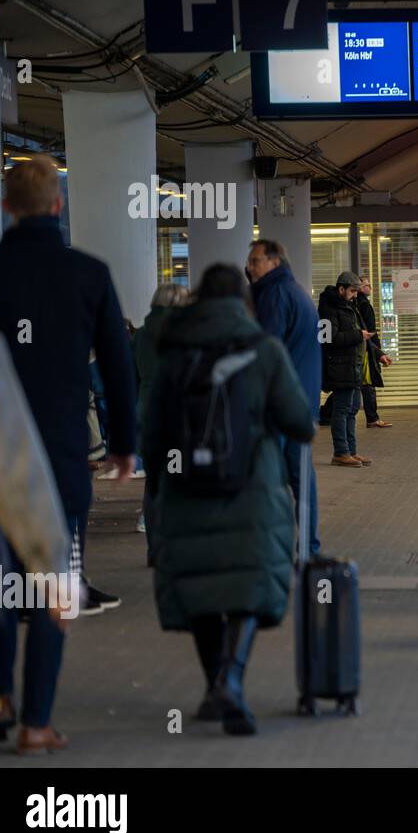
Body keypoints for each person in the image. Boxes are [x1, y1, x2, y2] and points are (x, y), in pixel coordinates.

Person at [143, 264, 314, 736]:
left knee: (201, 586)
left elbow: (153, 433)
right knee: (246, 587)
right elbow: (301, 422)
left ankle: (214, 686)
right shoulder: (264, 350)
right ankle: (231, 681)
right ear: (245, 301)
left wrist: (158, 488)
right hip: (252, 490)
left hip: (186, 488)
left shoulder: (174, 353)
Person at [0, 154, 136, 618]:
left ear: (7, 205)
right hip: (61, 427)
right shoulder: (89, 273)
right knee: (66, 512)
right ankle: (63, 592)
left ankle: (12, 603)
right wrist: (125, 444)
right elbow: (118, 365)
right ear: (58, 206)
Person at [0, 315, 77, 754]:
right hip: (54, 459)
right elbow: (7, 460)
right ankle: (35, 722)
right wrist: (49, 557)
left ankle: (0, 700)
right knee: (30, 596)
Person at [247, 239, 322, 556]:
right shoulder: (295, 291)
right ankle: (307, 549)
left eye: (255, 261)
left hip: (281, 408)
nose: (249, 268)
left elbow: (266, 352)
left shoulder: (275, 295)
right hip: (299, 405)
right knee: (301, 480)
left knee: (271, 481)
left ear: (274, 262)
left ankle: (276, 551)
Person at [133, 283, 191, 547]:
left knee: (154, 476)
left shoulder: (140, 335)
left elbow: (131, 377)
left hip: (147, 410)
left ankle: (150, 528)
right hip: (177, 413)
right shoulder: (186, 335)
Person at [318, 271, 371, 468]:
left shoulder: (348, 306)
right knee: (341, 410)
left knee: (353, 409)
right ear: (341, 289)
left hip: (352, 366)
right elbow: (328, 339)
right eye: (352, 291)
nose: (356, 295)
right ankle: (341, 452)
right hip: (340, 367)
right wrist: (358, 335)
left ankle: (351, 451)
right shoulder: (329, 308)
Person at [356, 274, 393, 429]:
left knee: (357, 384)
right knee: (368, 383)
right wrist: (378, 351)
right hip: (367, 347)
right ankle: (372, 418)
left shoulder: (356, 304)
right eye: (367, 286)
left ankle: (325, 413)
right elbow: (370, 331)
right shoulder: (364, 305)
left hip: (364, 347)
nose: (370, 288)